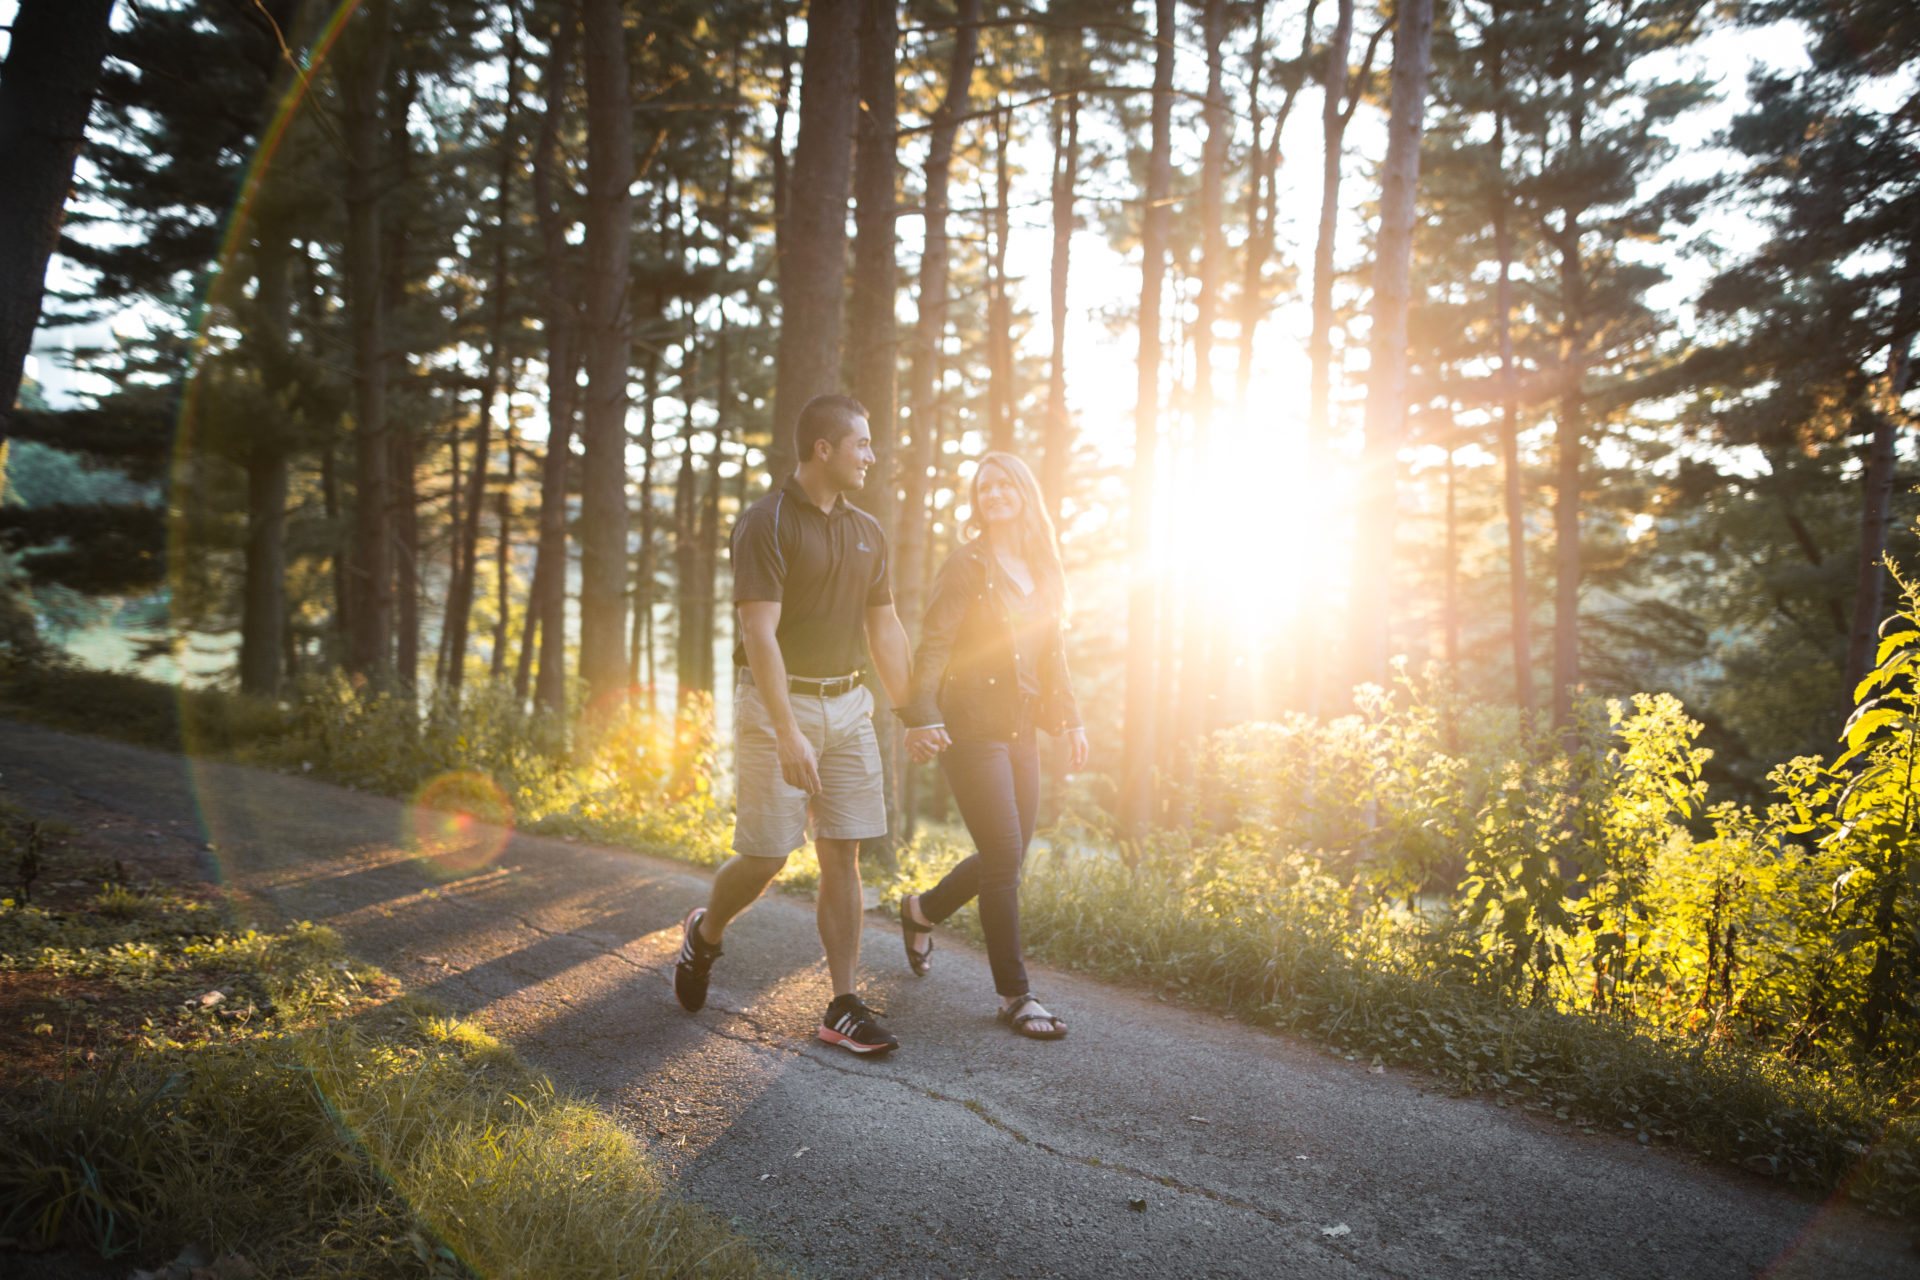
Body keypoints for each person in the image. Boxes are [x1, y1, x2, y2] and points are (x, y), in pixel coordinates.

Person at [673, 394, 935, 1056]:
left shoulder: (868, 531)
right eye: (862, 444)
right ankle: (705, 934)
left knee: (841, 849)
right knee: (766, 854)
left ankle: (842, 1004)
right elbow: (758, 633)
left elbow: (886, 629)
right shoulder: (766, 522)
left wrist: (914, 712)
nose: (872, 456)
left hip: (850, 706)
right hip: (776, 702)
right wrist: (787, 730)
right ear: (825, 449)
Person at [893, 452, 1089, 1040]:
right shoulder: (966, 565)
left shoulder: (1043, 568)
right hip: (971, 726)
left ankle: (921, 910)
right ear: (976, 499)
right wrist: (920, 715)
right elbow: (935, 644)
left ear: (1025, 493)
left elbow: (1054, 657)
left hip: (1022, 729)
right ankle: (1015, 995)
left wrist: (1073, 720)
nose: (994, 493)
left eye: (1005, 484)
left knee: (1008, 855)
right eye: (985, 486)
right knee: (1005, 857)